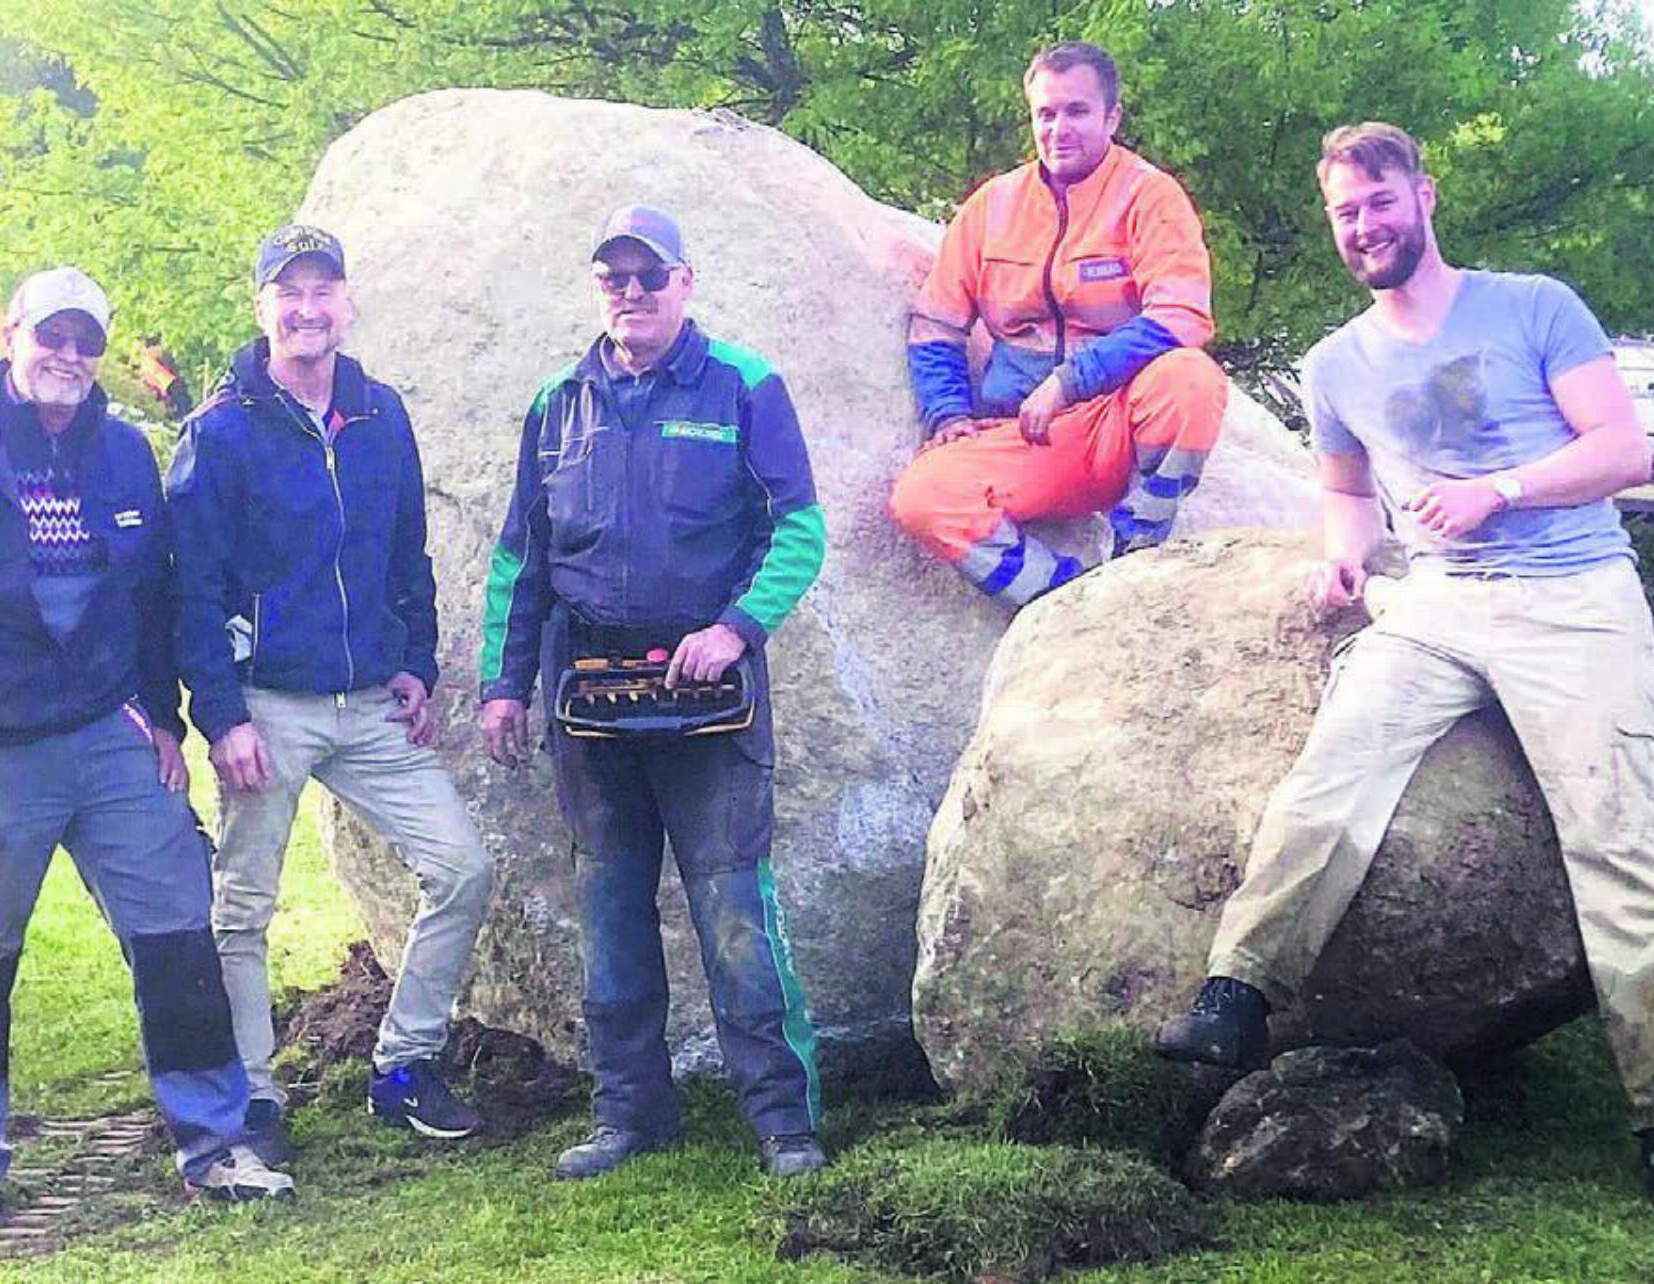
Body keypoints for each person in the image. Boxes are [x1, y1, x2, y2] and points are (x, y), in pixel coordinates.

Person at [1153, 122, 1654, 1211]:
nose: (1364, 225)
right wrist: (1344, 558)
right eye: (1345, 212)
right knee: (1329, 779)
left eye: (1380, 201)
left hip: (1574, 599)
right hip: (1439, 604)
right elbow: (1346, 493)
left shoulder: (1534, 306)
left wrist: (1499, 490)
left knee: (1621, 844)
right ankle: (1237, 994)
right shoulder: (1334, 365)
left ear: (1424, 196)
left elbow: (1623, 451)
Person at [0, 266, 293, 1229]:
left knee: (177, 937)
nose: (69, 355)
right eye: (52, 335)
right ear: (9, 333)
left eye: (88, 341)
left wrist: (162, 719)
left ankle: (214, 1142)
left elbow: (155, 597)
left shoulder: (127, 452)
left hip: (111, 741)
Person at [478, 206, 829, 1180]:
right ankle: (629, 1115)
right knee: (610, 913)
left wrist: (735, 629)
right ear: (598, 288)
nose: (631, 292)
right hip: (590, 701)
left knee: (734, 911)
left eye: (649, 275)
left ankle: (784, 1123)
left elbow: (799, 529)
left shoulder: (745, 386)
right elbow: (520, 558)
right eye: (613, 277)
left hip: (710, 699)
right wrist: (504, 687)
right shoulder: (558, 401)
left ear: (685, 283)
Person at [167, 225, 492, 1164]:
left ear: (347, 303)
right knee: (243, 908)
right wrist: (221, 717)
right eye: (289, 292)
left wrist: (417, 660)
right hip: (267, 707)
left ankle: (404, 1066)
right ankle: (252, 1094)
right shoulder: (220, 431)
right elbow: (191, 591)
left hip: (370, 705)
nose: (307, 310)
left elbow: (407, 555)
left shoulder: (382, 415)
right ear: (261, 306)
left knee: (462, 869)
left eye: (323, 290)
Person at [889, 40, 1228, 607]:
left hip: (1117, 422)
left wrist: (1070, 381)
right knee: (924, 497)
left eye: (1077, 111)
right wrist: (947, 411)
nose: (1058, 129)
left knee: (1192, 380)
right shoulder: (992, 205)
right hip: (1025, 435)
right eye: (1045, 114)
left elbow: (1181, 316)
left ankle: (1138, 553)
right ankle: (1070, 603)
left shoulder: (1150, 196)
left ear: (1111, 117)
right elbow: (937, 324)